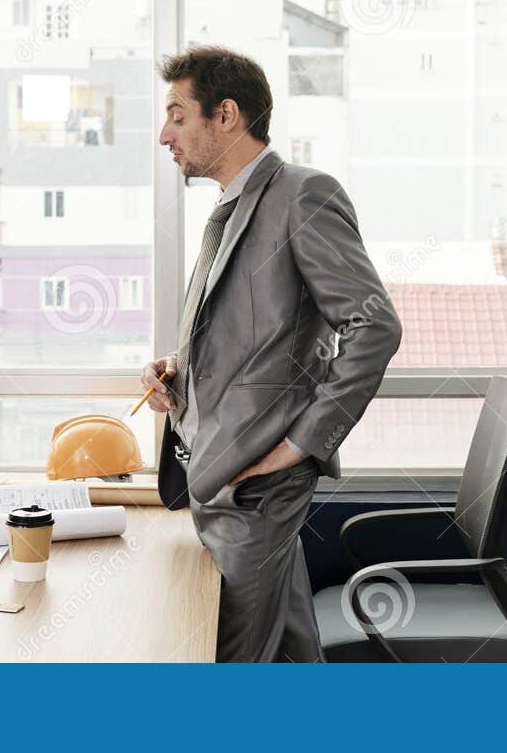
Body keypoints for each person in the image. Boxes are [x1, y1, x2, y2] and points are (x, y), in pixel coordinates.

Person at [143, 45, 401, 662]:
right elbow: (254, 338)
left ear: (225, 115)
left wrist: (302, 444)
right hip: (221, 477)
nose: (164, 135)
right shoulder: (232, 209)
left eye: (179, 115)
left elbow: (374, 327)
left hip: (256, 490)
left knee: (224, 669)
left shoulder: (302, 195)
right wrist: (183, 372)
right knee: (290, 659)